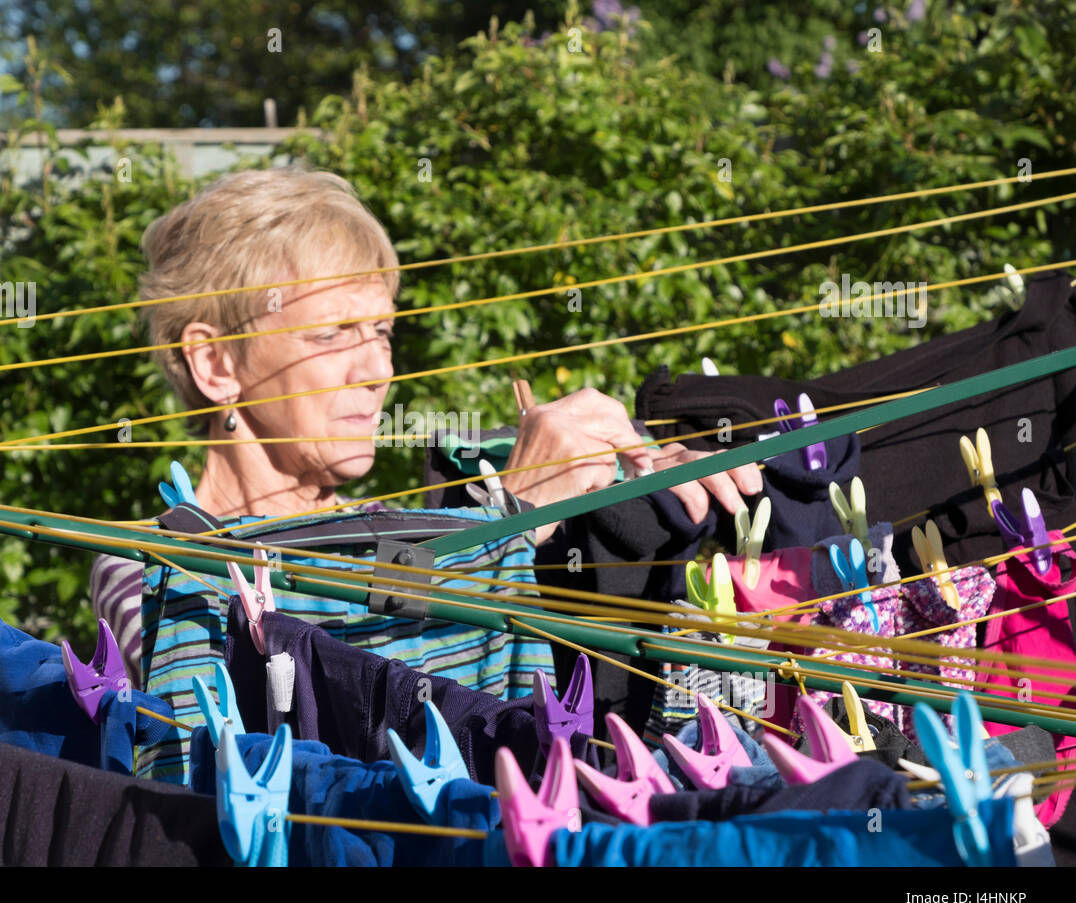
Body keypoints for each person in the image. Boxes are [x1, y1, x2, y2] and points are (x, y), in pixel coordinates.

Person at [92, 164, 761, 688]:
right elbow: (335, 680)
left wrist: (649, 514)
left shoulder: (400, 528)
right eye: (331, 333)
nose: (375, 369)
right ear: (215, 363)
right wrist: (514, 514)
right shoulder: (142, 566)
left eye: (381, 330)